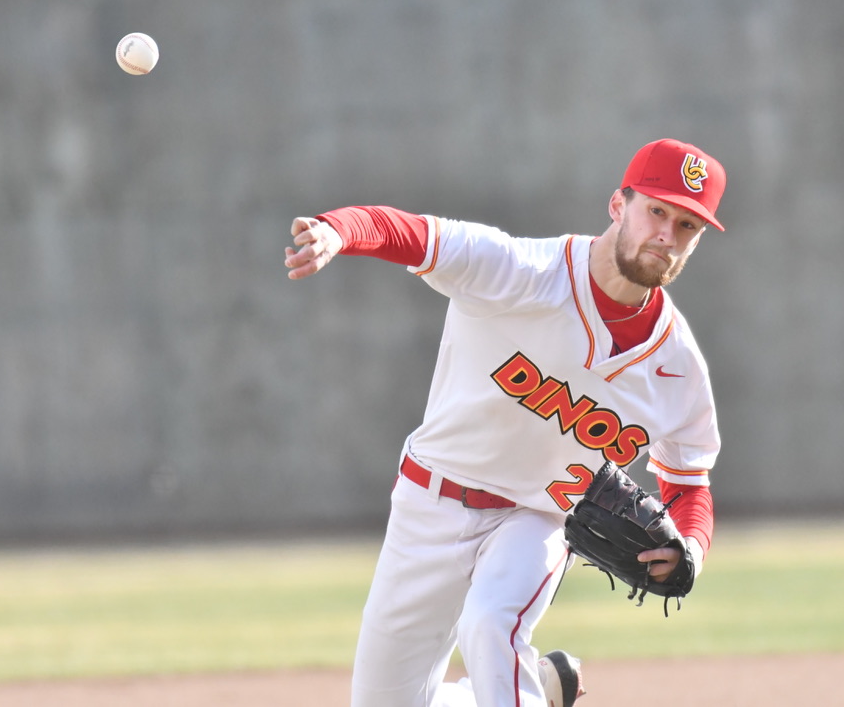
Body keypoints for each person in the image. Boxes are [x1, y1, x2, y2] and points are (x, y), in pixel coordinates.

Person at [284, 138, 727, 707]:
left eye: (687, 226)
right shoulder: (520, 270)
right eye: (657, 211)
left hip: (537, 516)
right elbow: (411, 233)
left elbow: (689, 482)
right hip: (431, 502)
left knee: (492, 625)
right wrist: (336, 231)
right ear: (618, 206)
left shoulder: (678, 366)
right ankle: (532, 690)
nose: (667, 234)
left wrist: (689, 547)